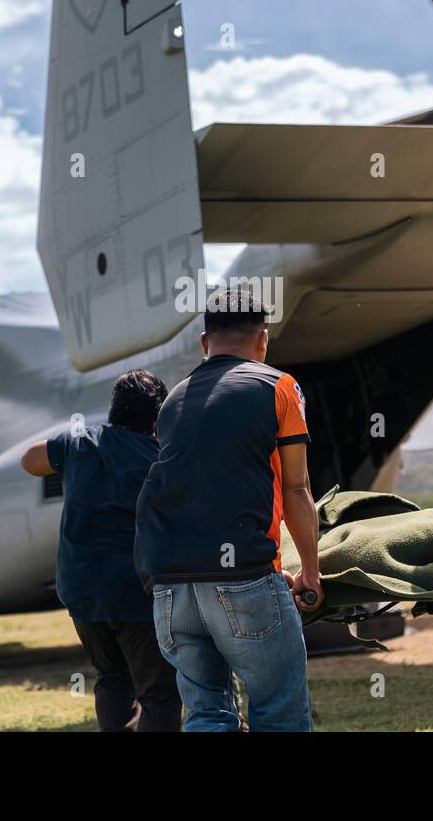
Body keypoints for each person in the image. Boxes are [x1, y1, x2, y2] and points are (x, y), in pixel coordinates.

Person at [133, 287, 323, 732]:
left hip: (170, 589)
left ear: (204, 343)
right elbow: (296, 489)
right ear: (263, 339)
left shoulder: (173, 400)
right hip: (242, 581)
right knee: (279, 713)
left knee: (207, 715)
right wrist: (311, 571)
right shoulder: (279, 386)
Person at [20, 369, 181, 731]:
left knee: (112, 678)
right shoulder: (159, 456)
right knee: (159, 694)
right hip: (134, 592)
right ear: (157, 416)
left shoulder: (80, 442)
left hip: (82, 591)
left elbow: (29, 460)